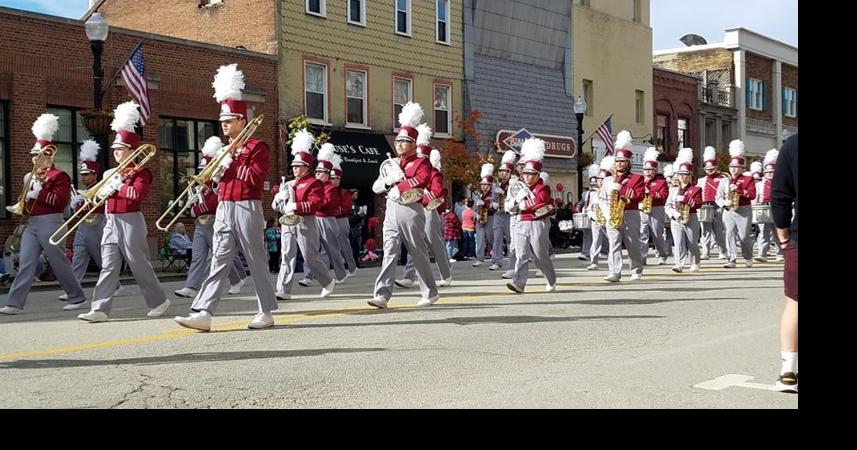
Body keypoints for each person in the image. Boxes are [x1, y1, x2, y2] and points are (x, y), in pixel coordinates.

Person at [174, 64, 278, 331]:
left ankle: (265, 310)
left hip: (247, 206)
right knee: (218, 258)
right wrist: (216, 174)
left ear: (242, 121)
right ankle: (203, 312)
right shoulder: (223, 150)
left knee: (255, 258)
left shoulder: (257, 147)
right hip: (224, 207)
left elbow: (256, 177)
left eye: (228, 121)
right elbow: (219, 181)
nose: (224, 126)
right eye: (222, 122)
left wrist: (231, 165)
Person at [77, 102, 171, 322]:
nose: (116, 153)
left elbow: (137, 195)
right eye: (115, 150)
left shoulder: (142, 172)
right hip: (110, 220)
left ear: (131, 150)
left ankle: (158, 300)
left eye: (120, 149)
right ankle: (99, 308)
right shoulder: (110, 171)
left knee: (138, 264)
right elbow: (100, 198)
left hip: (130, 220)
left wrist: (119, 186)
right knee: (108, 265)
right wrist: (100, 194)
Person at [1, 113, 87, 315]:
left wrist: (40, 192)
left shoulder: (60, 176)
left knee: (58, 261)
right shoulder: (28, 176)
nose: (35, 159)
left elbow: (60, 201)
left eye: (38, 155)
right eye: (33, 155)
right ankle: (14, 303)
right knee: (25, 262)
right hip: (33, 223)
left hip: (52, 222)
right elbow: (26, 203)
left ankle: (76, 296)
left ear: (49, 156)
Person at [369, 102, 438, 308]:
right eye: (398, 141)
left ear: (413, 143)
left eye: (404, 141)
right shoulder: (392, 163)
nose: (399, 145)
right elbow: (377, 186)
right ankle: (382, 295)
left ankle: (430, 292)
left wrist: (404, 184)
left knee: (417, 251)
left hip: (411, 208)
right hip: (392, 208)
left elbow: (424, 179)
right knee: (389, 251)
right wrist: (389, 181)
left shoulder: (421, 161)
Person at [173, 137, 251, 299]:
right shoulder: (199, 186)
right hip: (201, 224)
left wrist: (196, 209)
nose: (202, 173)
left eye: (205, 169)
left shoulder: (217, 183)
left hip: (216, 221)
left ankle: (237, 279)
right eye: (201, 169)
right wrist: (189, 205)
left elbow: (215, 203)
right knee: (197, 256)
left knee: (220, 254)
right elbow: (194, 207)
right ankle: (192, 286)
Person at [271, 128, 336, 301]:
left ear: (307, 167)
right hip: (287, 222)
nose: (295, 168)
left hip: (305, 221)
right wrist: (278, 199)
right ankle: (283, 289)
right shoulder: (289, 183)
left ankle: (327, 280)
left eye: (298, 166)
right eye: (293, 166)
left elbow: (315, 204)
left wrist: (296, 205)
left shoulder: (314, 183)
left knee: (310, 256)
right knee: (286, 255)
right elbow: (279, 207)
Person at [61, 139, 125, 301]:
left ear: (95, 174)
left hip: (97, 223)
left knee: (100, 258)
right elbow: (80, 212)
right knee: (78, 257)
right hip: (84, 226)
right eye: (82, 175)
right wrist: (76, 204)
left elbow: (99, 207)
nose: (83, 178)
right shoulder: (85, 190)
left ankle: (115, 284)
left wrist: (83, 202)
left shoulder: (102, 187)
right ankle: (73, 289)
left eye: (87, 174)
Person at [397, 126, 452, 288]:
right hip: (412, 208)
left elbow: (436, 191)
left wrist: (422, 196)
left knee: (435, 243)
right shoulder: (409, 167)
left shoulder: (433, 173)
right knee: (413, 242)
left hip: (428, 210)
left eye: (422, 156)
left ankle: (446, 273)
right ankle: (409, 275)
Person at [505, 138, 556, 293]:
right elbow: (509, 205)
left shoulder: (542, 188)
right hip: (520, 221)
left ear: (537, 174)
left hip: (536, 223)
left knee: (540, 255)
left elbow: (540, 203)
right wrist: (514, 203)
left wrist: (524, 204)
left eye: (530, 174)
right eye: (525, 173)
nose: (526, 176)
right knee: (521, 255)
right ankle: (519, 284)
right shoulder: (518, 186)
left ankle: (550, 279)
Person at [771, 133, 798, 393]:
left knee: (795, 302)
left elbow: (780, 195)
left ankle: (788, 370)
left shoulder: (792, 145)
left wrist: (782, 233)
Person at [600, 131, 645, 282]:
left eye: (623, 161)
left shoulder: (636, 178)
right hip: (612, 215)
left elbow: (639, 195)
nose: (619, 164)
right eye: (617, 161)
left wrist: (623, 194)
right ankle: (614, 271)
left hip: (630, 213)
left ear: (628, 162)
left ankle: (636, 270)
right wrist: (608, 214)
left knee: (632, 243)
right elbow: (602, 199)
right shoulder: (607, 180)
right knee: (613, 244)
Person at [719, 139, 757, 268]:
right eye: (731, 167)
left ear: (741, 168)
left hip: (743, 209)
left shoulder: (748, 179)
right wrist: (724, 202)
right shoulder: (724, 180)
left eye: (736, 167)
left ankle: (748, 256)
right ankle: (731, 259)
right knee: (729, 234)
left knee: (744, 235)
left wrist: (739, 190)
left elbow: (752, 195)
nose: (733, 170)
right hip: (728, 210)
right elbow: (718, 197)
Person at [664, 149, 702, 273]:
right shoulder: (673, 190)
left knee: (692, 242)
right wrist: (673, 213)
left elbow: (698, 204)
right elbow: (668, 205)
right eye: (680, 174)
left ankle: (695, 262)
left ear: (690, 176)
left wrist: (686, 199)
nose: (682, 177)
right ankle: (678, 263)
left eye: (685, 174)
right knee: (678, 242)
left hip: (690, 217)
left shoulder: (696, 189)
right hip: (676, 218)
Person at [639, 147, 670, 266]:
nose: (649, 172)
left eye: (651, 170)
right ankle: (642, 257)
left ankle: (662, 254)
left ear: (655, 170)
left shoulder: (661, 182)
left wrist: (649, 193)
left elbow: (663, 196)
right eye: (646, 170)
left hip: (656, 208)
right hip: (642, 209)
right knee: (642, 233)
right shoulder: (640, 181)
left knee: (657, 234)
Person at [754, 149, 784, 263]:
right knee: (763, 232)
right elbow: (755, 198)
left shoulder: (780, 183)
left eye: (772, 171)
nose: (770, 174)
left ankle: (780, 253)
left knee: (777, 232)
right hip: (763, 209)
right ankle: (762, 253)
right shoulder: (759, 184)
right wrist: (756, 204)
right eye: (767, 172)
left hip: (776, 208)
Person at [491, 150, 516, 270]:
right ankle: (496, 261)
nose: (501, 173)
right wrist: (493, 203)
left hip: (508, 214)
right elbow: (492, 199)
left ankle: (513, 263)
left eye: (504, 171)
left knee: (510, 240)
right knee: (497, 239)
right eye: (500, 171)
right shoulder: (497, 184)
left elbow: (516, 198)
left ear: (509, 172)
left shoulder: (513, 183)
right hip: (498, 214)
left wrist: (505, 193)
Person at [472, 163, 496, 267]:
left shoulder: (494, 194)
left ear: (490, 185)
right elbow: (473, 207)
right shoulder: (478, 194)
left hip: (490, 217)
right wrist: (476, 213)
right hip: (479, 219)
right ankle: (479, 258)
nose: (484, 186)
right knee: (479, 240)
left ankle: (495, 256)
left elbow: (497, 206)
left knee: (491, 238)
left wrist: (490, 205)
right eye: (482, 184)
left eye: (486, 184)